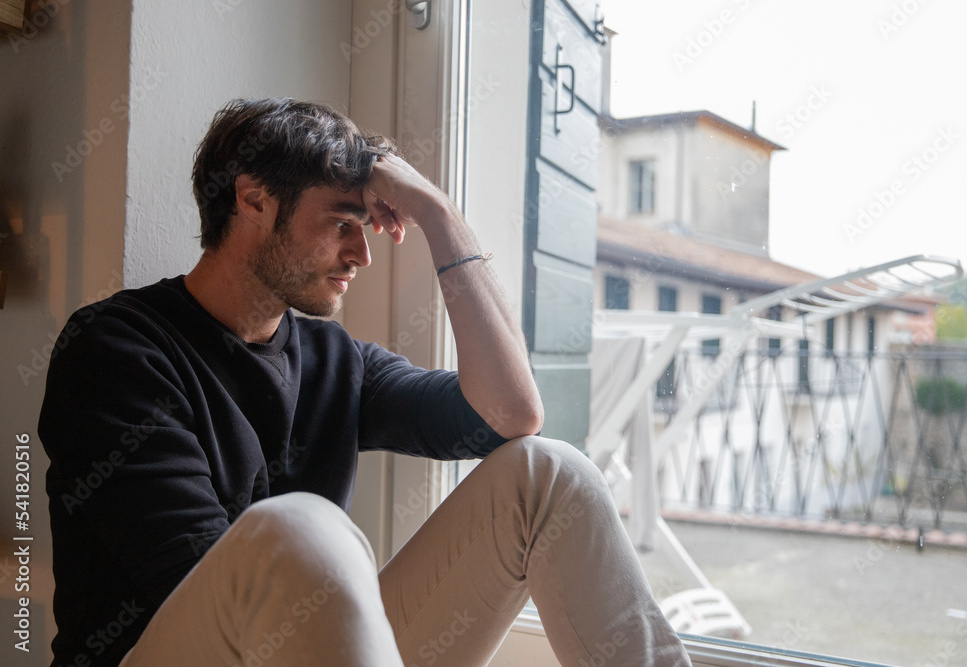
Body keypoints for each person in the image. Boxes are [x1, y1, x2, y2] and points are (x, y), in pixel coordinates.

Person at [38, 98, 691, 667]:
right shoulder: (116, 350)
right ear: (254, 200)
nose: (363, 253)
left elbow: (511, 414)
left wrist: (438, 214)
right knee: (299, 527)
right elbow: (206, 590)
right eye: (341, 222)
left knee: (548, 474)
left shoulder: (334, 358)